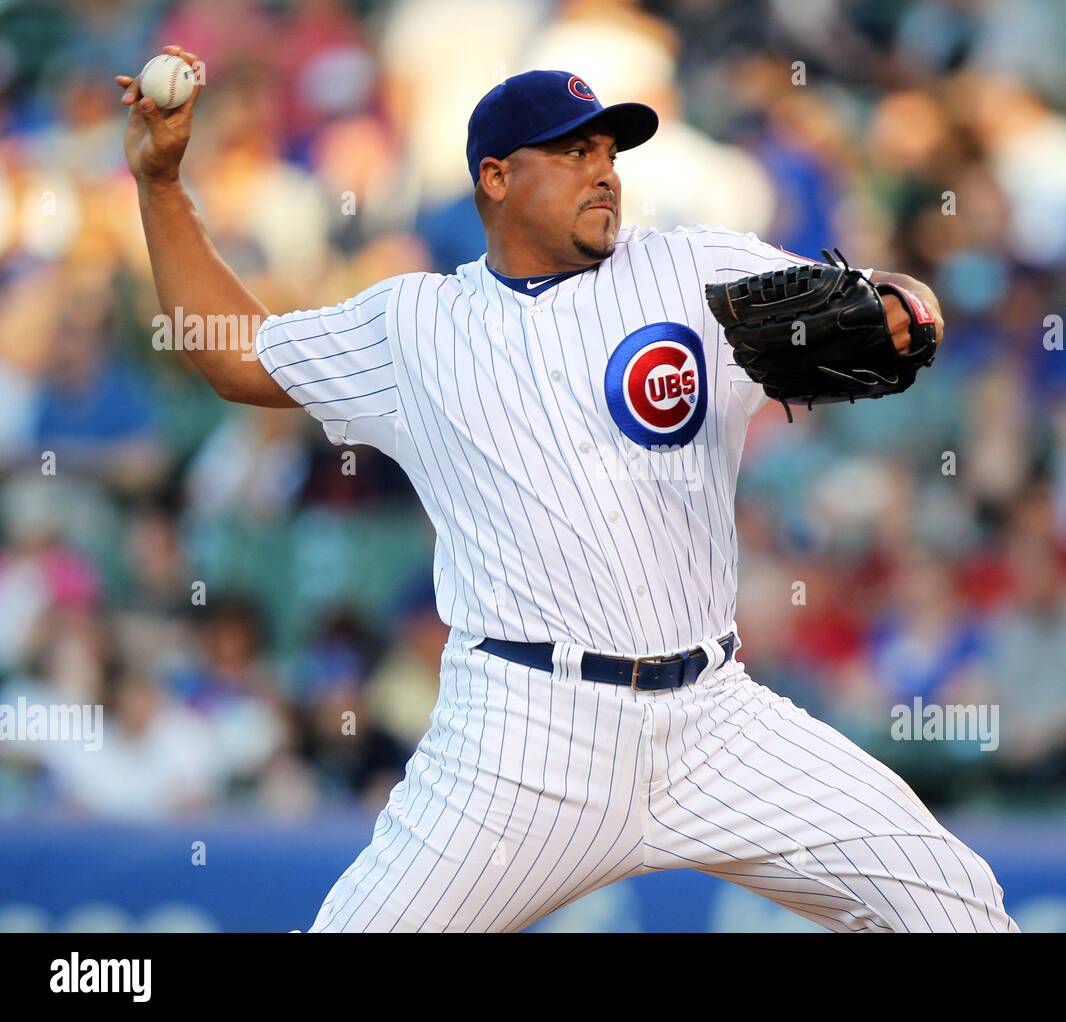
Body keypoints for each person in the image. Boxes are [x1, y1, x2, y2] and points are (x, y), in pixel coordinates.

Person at [116, 46, 1016, 933]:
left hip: (715, 716)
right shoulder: (414, 325)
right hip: (524, 736)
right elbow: (235, 355)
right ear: (497, 179)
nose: (604, 173)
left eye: (609, 153)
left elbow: (881, 303)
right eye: (573, 152)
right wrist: (161, 187)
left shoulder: (691, 271)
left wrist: (902, 305)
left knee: (956, 905)